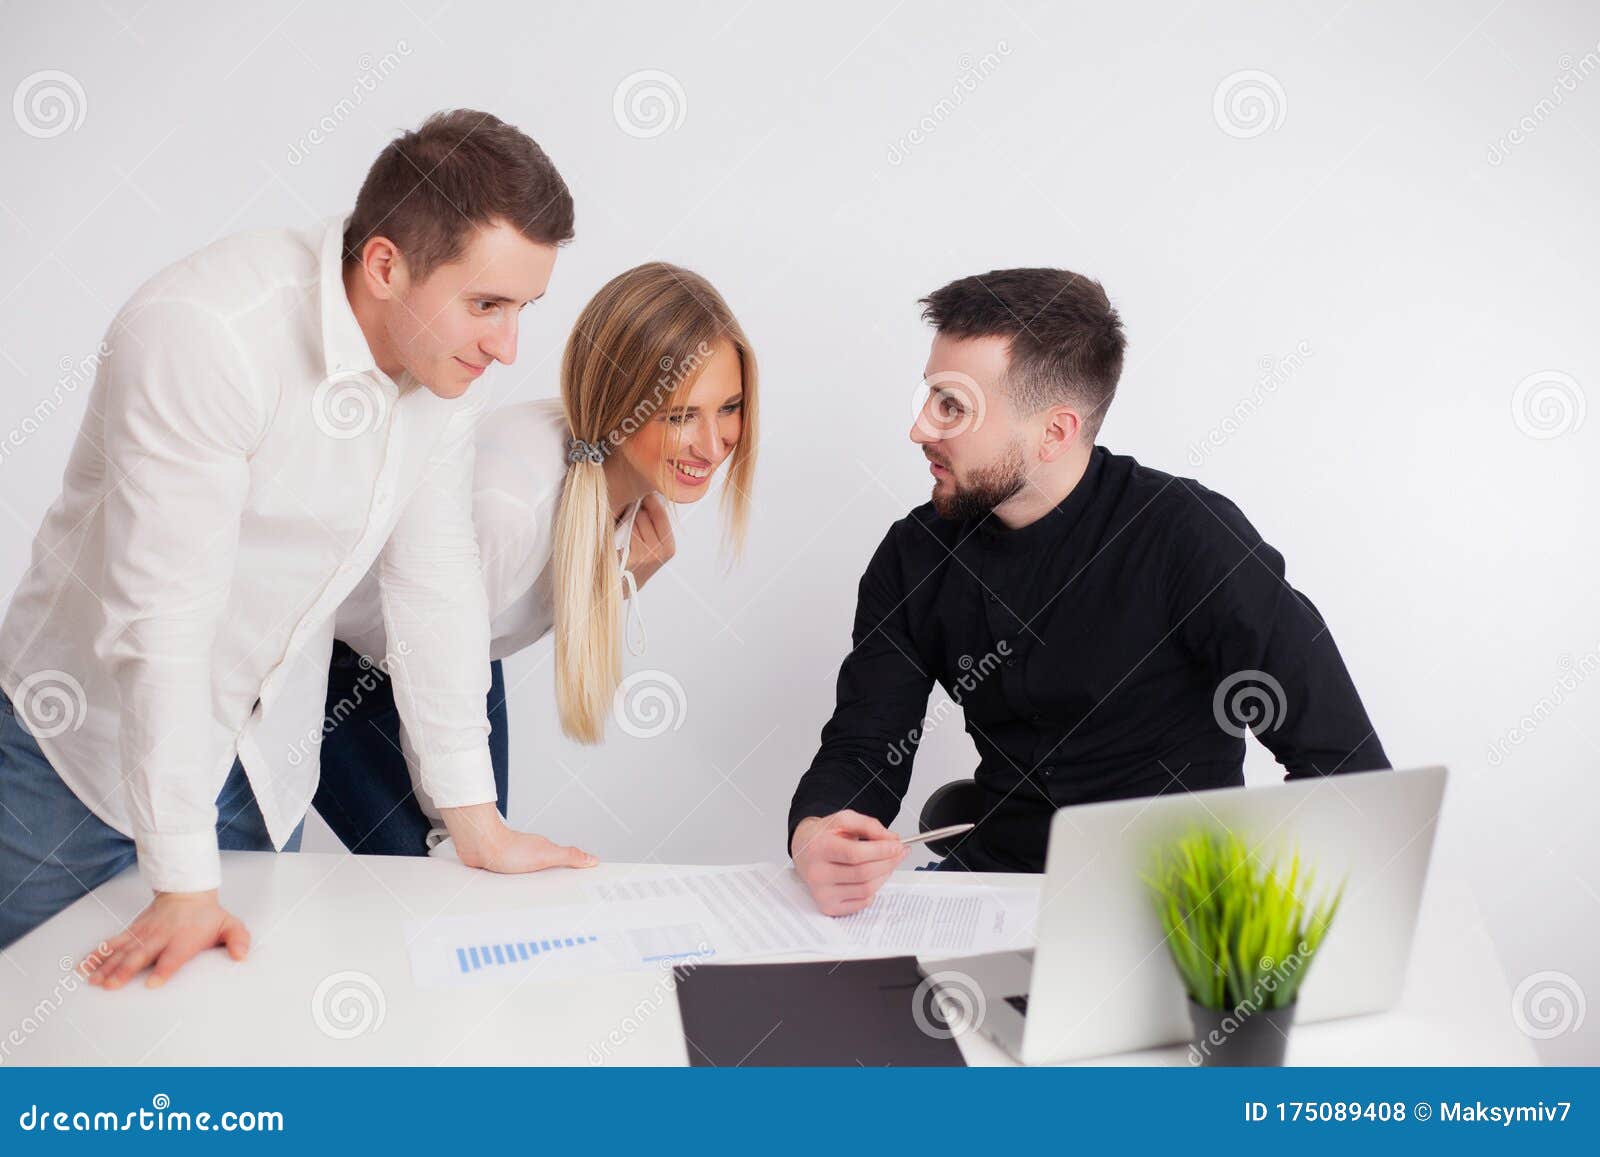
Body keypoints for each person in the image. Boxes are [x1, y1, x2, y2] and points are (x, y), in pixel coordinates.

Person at [0, 110, 580, 985]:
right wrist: (183, 880)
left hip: (263, 770)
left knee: (218, 1044)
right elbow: (165, 623)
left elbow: (433, 579)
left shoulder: (442, 365)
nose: (508, 347)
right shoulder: (207, 332)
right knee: (29, 1023)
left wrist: (476, 819)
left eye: (523, 308)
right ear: (386, 265)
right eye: (488, 305)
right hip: (73, 758)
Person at [788, 268, 1389, 915]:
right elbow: (864, 747)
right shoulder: (914, 556)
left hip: (1173, 906)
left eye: (953, 405)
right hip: (996, 892)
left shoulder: (1189, 537)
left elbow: (1344, 771)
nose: (920, 429)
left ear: (1055, 430)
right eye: (929, 396)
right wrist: (817, 834)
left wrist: (1261, 931)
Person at [312, 262, 757, 855]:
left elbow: (486, 629)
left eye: (728, 407)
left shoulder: (615, 472)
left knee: (463, 882)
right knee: (438, 876)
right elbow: (427, 649)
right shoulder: (512, 506)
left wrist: (613, 583)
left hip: (463, 651)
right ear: (621, 401)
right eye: (680, 416)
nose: (712, 444)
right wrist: (460, 834)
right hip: (345, 665)